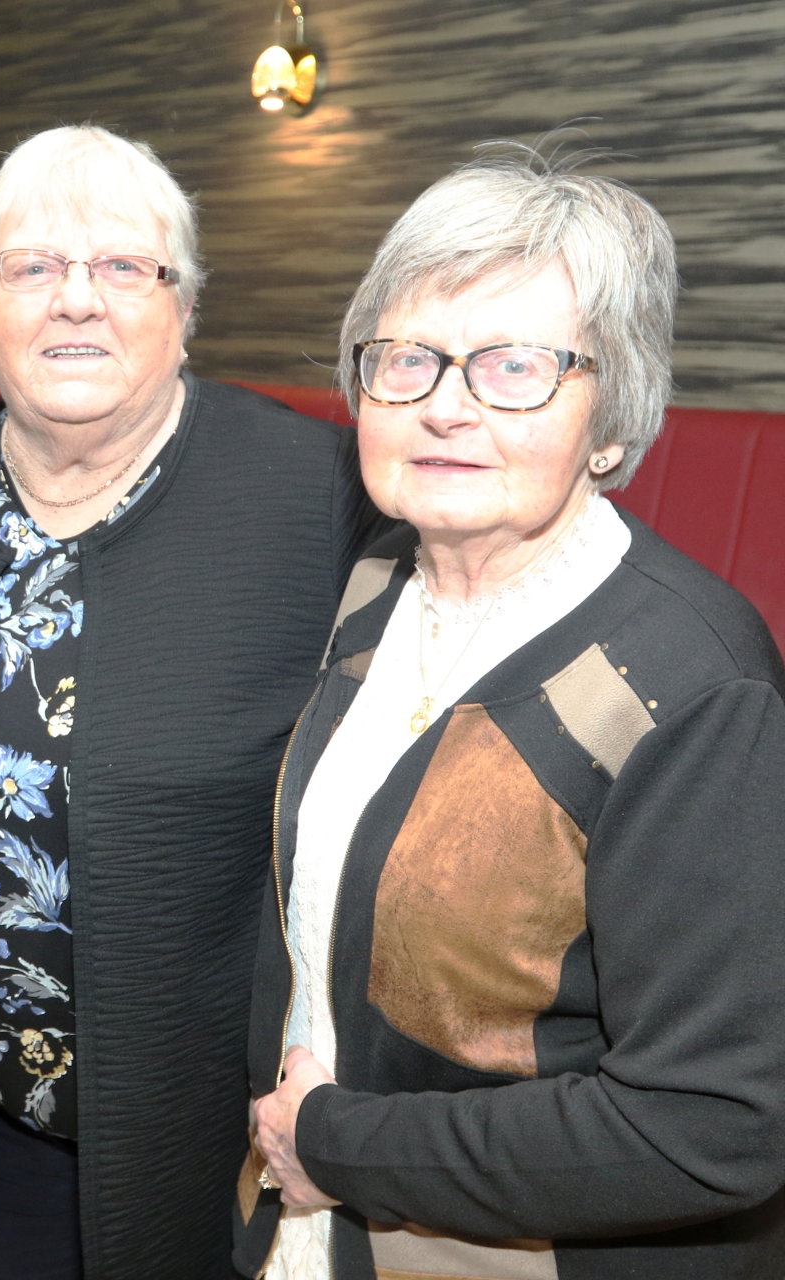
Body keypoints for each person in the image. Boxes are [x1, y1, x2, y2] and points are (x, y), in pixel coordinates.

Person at [0, 124, 391, 1280]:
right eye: (33, 266)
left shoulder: (325, 497)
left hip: (235, 1127)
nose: (74, 302)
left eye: (123, 268)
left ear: (183, 307)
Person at [242, 149, 785, 1279]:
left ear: (611, 418)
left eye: (515, 366)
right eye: (409, 358)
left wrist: (337, 1141)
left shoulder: (693, 684)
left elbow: (717, 1128)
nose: (444, 404)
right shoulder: (373, 590)